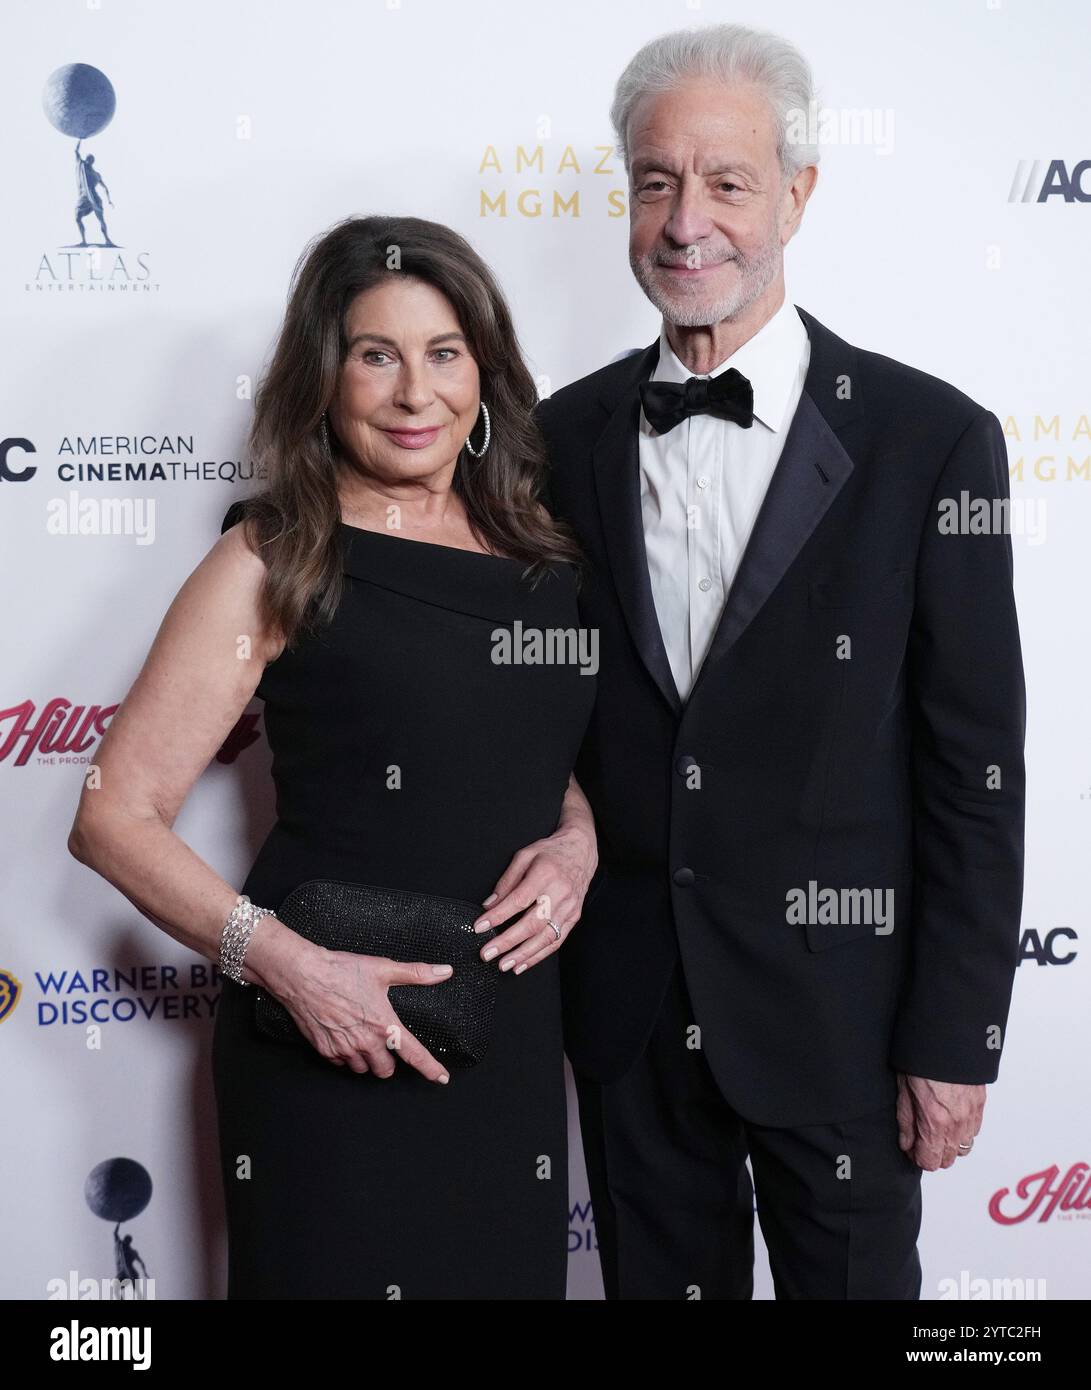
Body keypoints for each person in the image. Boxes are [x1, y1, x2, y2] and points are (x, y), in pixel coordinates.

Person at [538, 23, 1026, 1299]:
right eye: (653, 181)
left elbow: (972, 764)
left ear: (797, 196)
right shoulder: (553, 438)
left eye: (725, 182)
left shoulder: (929, 440)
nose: (684, 220)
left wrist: (955, 1034)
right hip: (633, 1013)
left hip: (846, 1023)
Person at [67, 214, 600, 1299]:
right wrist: (296, 973)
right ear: (323, 374)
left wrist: (579, 838)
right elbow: (111, 812)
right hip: (325, 1043)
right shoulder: (272, 556)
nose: (416, 393)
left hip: (503, 1040)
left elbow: (527, 748)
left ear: (485, 372)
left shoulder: (539, 551)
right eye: (376, 355)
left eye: (444, 353)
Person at [74, 140, 114, 247]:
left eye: (89, 160)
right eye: (88, 159)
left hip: (92, 197)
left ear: (91, 161)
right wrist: (80, 139)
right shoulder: (82, 166)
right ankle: (84, 241)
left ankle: (107, 240)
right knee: (78, 217)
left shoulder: (95, 173)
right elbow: (76, 152)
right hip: (85, 197)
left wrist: (80, 138)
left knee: (100, 219)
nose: (88, 161)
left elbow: (105, 187)